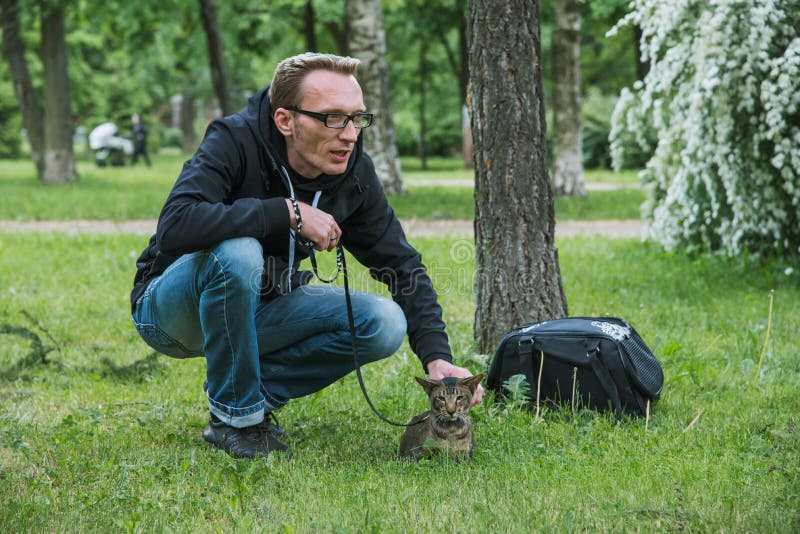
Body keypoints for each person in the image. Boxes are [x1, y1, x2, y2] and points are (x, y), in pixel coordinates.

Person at [130, 52, 483, 459]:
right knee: (240, 251)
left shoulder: (353, 174)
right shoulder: (234, 140)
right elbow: (176, 225)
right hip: (171, 312)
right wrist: (286, 212)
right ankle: (236, 421)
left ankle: (245, 397)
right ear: (286, 120)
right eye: (333, 118)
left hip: (261, 308)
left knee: (383, 322)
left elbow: (402, 264)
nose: (350, 134)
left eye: (357, 118)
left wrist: (438, 359)